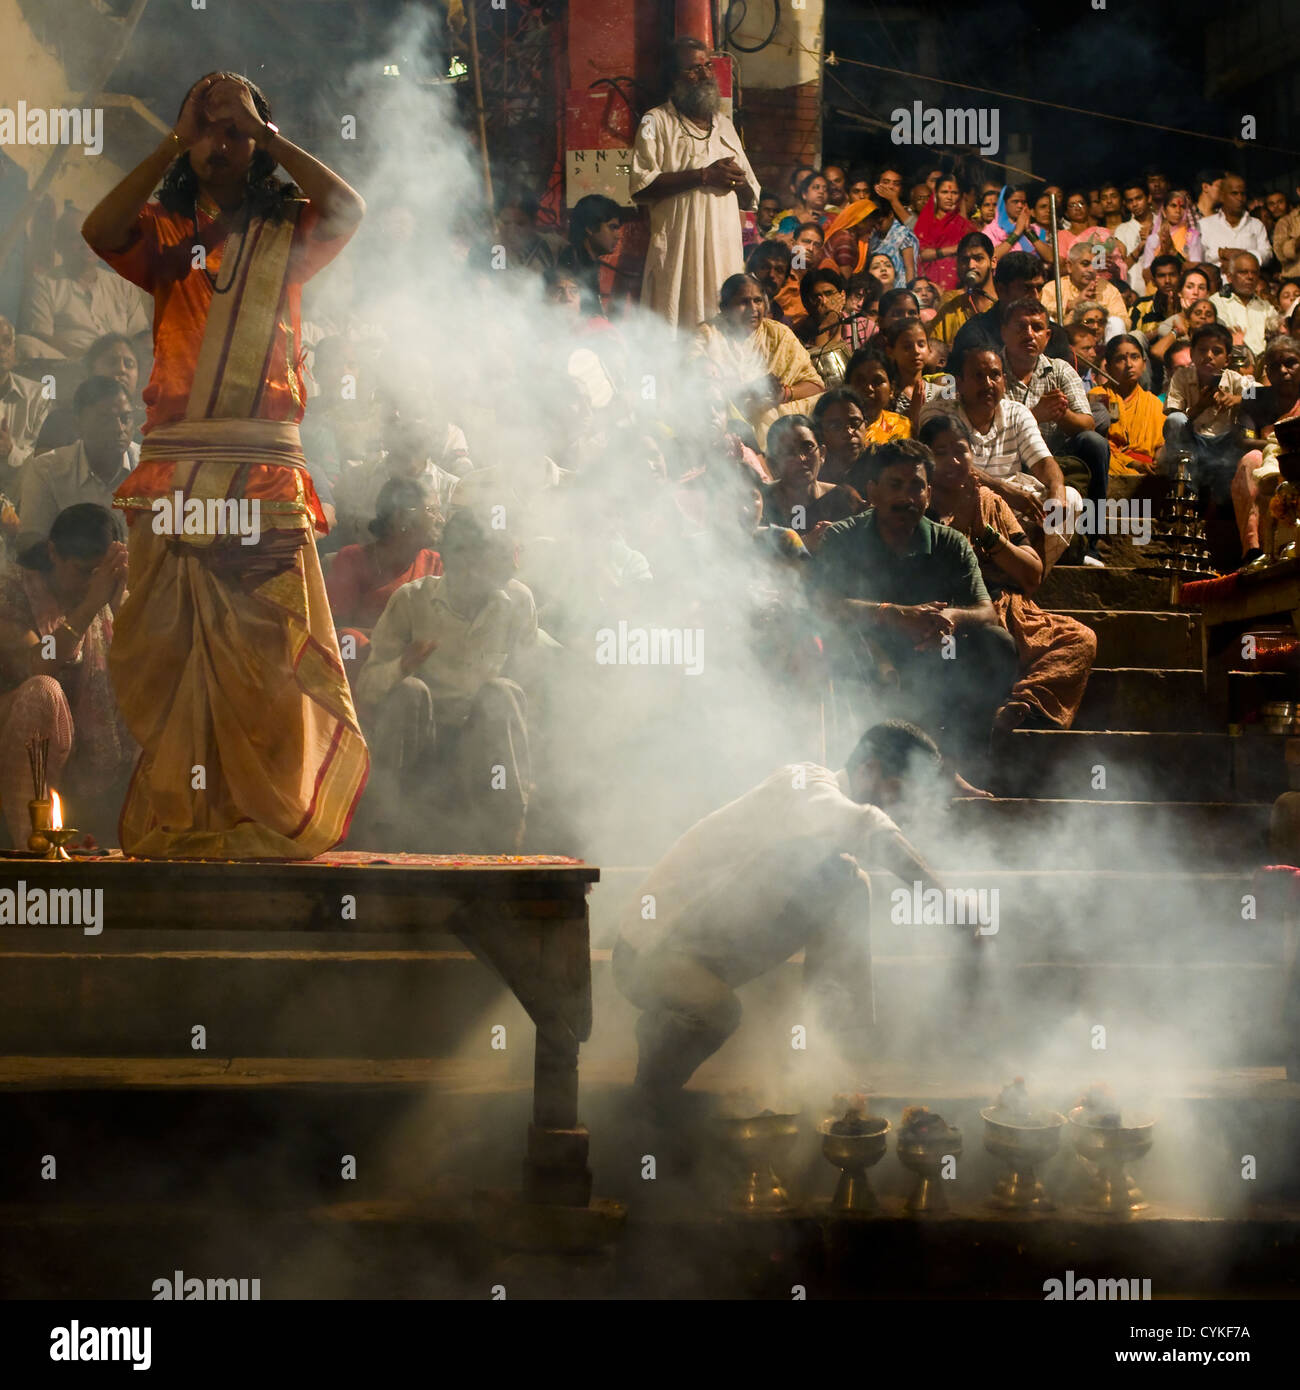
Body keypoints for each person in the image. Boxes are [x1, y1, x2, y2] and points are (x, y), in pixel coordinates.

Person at [81, 70, 369, 858]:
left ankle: (268, 817)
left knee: (269, 656)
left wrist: (271, 137)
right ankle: (190, 819)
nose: (221, 144)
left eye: (238, 130)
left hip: (262, 473)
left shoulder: (289, 229)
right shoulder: (165, 230)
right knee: (177, 655)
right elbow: (97, 229)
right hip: (175, 470)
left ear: (262, 142)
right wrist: (170, 137)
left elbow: (353, 209)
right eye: (206, 130)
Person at [613, 721, 956, 1104]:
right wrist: (953, 910)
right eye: (899, 793)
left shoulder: (832, 838)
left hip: (704, 959)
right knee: (717, 1013)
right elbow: (869, 827)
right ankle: (644, 1103)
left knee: (849, 881)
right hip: (647, 954)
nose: (904, 810)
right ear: (869, 770)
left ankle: (829, 1056)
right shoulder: (804, 784)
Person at [810, 439, 1019, 774]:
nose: (906, 497)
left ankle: (959, 767)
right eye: (895, 485)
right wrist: (891, 614)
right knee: (830, 643)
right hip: (867, 656)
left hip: (934, 655)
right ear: (873, 491)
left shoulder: (951, 542)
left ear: (928, 494)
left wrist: (950, 617)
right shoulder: (843, 537)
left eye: (916, 487)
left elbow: (986, 610)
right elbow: (821, 604)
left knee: (996, 643)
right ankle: (852, 767)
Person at [355, 507, 537, 852]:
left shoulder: (518, 601)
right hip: (423, 737)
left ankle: (506, 835)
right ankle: (385, 832)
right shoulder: (411, 600)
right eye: (495, 558)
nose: (507, 568)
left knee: (502, 693)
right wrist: (403, 665)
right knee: (408, 690)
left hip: (482, 741)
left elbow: (529, 693)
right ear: (455, 558)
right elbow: (367, 687)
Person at [921, 414, 1095, 731]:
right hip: (964, 618)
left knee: (1080, 639)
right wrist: (961, 526)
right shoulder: (919, 507)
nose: (953, 461)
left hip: (1014, 611)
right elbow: (939, 578)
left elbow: (1032, 575)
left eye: (961, 450)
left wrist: (987, 534)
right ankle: (987, 712)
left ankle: (1024, 704)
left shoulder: (990, 502)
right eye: (940, 453)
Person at [0, 504, 133, 848]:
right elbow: (36, 664)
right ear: (53, 553)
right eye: (82, 571)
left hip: (82, 751)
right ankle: (33, 848)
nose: (92, 583)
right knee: (43, 692)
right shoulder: (12, 589)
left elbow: (149, 670)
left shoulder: (106, 592)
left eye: (99, 574)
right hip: (16, 729)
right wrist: (91, 605)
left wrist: (122, 609)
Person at [630, 36, 759, 333]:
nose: (704, 75)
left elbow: (750, 195)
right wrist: (702, 175)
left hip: (724, 251)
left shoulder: (724, 125)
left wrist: (738, 181)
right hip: (680, 255)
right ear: (674, 77)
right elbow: (641, 185)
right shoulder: (656, 122)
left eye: (707, 66)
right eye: (692, 69)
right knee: (678, 332)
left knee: (722, 333)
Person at [920, 343, 1080, 574]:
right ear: (960, 382)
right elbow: (942, 465)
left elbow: (1044, 462)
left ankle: (1030, 581)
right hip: (956, 499)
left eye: (994, 375)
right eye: (978, 376)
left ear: (1004, 381)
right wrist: (1003, 491)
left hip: (1011, 507)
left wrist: (1057, 490)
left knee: (1071, 498)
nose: (987, 384)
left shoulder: (1018, 412)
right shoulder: (936, 411)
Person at [998, 298, 1108, 564]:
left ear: (1047, 336)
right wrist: (1034, 416)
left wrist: (1061, 414)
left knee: (1095, 443)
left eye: (1037, 328)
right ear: (1004, 331)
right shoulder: (991, 369)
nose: (1029, 334)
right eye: (1021, 327)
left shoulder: (1059, 369)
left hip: (1057, 458)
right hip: (1009, 457)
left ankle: (1089, 544)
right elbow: (989, 429)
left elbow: (1087, 424)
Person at [690, 273, 824, 447]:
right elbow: (694, 388)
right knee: (760, 413)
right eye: (743, 302)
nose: (753, 308)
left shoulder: (779, 334)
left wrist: (783, 394)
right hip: (729, 422)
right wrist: (748, 394)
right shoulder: (707, 335)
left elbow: (816, 386)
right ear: (724, 307)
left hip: (781, 417)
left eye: (758, 301)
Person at [16, 376, 137, 555]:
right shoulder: (46, 470)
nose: (119, 428)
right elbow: (31, 546)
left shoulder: (154, 467)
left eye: (125, 418)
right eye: (105, 419)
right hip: (70, 579)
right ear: (78, 425)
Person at [16, 206, 150, 364]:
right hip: (73, 364)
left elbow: (139, 334)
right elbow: (41, 336)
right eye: (76, 238)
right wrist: (92, 357)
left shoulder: (123, 286)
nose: (87, 245)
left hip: (119, 364)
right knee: (23, 343)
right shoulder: (44, 284)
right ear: (59, 245)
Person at [326, 475, 441, 634]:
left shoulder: (435, 564)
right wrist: (394, 643)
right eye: (432, 510)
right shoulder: (353, 559)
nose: (441, 519)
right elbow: (337, 633)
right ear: (401, 518)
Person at [1229, 335, 1300, 558]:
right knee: (1252, 459)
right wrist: (1279, 443)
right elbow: (1243, 439)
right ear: (1267, 371)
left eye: (1290, 363)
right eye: (1275, 366)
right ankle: (1254, 549)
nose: (1283, 371)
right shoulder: (1253, 394)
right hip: (1265, 464)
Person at [1163, 322, 1250, 503]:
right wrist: (1199, 407)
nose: (1208, 356)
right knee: (1175, 419)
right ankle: (1185, 484)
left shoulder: (1234, 378)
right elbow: (1174, 417)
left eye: (1216, 351)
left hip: (1224, 443)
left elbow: (1261, 393)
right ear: (1192, 354)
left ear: (1227, 359)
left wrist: (1237, 399)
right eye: (1202, 350)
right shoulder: (1181, 377)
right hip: (1192, 442)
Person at [759, 413, 864, 548]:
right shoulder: (760, 501)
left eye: (808, 447)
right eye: (788, 452)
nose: (801, 458)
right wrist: (801, 545)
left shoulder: (844, 498)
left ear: (822, 454)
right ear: (773, 463)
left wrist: (840, 536)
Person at [950, 250, 1071, 361]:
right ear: (1001, 290)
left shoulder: (1054, 335)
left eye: (1039, 288)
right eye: (1026, 288)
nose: (1035, 296)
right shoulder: (976, 332)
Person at [33, 332, 140, 453]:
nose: (121, 369)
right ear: (91, 371)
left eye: (129, 364)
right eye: (111, 362)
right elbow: (42, 468)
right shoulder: (62, 421)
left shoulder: (149, 425)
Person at [1098, 335, 1166, 476]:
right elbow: (1098, 443)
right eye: (1120, 359)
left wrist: (1157, 463)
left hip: (1148, 469)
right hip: (1114, 464)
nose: (1129, 364)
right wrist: (1134, 463)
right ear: (1108, 367)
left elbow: (1161, 444)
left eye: (1135, 357)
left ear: (1144, 364)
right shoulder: (1100, 396)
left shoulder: (1154, 403)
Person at [0, 314, 51, 500]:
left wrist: (10, 450)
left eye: (6, 342)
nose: (0, 348)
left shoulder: (39, 397)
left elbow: (44, 458)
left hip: (25, 499)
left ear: (15, 350)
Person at [556, 193, 622, 318]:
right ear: (590, 228)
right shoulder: (572, 264)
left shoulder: (586, 260)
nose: (618, 235)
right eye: (612, 227)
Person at [1042, 242, 1128, 333]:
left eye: (1095, 265)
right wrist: (1070, 305)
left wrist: (1098, 314)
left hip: (1100, 340)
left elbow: (1125, 322)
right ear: (1069, 266)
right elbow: (1041, 312)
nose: (1091, 270)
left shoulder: (1108, 289)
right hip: (1065, 340)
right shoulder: (1053, 288)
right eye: (1085, 264)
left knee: (1116, 322)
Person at [912, 175, 977, 293]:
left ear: (960, 196)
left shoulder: (966, 226)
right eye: (944, 192)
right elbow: (919, 254)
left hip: (959, 288)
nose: (949, 197)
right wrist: (953, 249)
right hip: (928, 288)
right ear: (936, 194)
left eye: (954, 193)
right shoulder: (925, 223)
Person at [929, 232, 996, 345]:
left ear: (993, 262)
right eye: (965, 260)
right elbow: (934, 351)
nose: (971, 266)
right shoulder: (950, 310)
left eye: (978, 259)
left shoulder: (1005, 306)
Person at [1198, 173, 1273, 273]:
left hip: (1249, 285)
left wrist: (1243, 256)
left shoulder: (1256, 225)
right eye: (1234, 193)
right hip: (1216, 285)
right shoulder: (1204, 225)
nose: (1240, 198)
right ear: (1222, 196)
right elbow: (1197, 259)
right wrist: (1221, 253)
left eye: (1243, 194)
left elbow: (1267, 255)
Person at [1214, 252, 1281, 355]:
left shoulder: (1266, 307)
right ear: (1229, 277)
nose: (1250, 277)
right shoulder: (1217, 302)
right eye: (1243, 272)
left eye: (1254, 272)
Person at [797, 268, 851, 387]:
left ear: (842, 295)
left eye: (829, 293)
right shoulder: (797, 335)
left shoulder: (863, 326)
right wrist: (825, 327)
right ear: (806, 303)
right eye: (816, 297)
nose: (824, 302)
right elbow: (823, 376)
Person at [868, 166, 920, 284]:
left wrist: (893, 200)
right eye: (886, 182)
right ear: (876, 186)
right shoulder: (870, 216)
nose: (890, 187)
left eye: (896, 184)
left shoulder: (905, 222)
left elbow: (916, 230)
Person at [1140, 189, 1203, 276]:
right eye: (1173, 206)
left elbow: (1196, 268)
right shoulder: (1153, 239)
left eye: (1182, 207)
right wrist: (1161, 253)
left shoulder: (1192, 237)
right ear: (1164, 212)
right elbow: (1146, 274)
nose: (1178, 210)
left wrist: (1174, 252)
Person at [987, 186, 1053, 266]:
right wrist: (1017, 231)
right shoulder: (991, 230)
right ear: (1004, 203)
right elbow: (990, 258)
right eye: (1015, 201)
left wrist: (1028, 231)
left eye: (1023, 202)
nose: (1020, 206)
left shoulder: (1035, 229)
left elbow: (1051, 258)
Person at [1131, 253, 1182, 335]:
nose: (1167, 281)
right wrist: (1166, 326)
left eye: (1172, 275)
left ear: (1181, 278)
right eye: (1161, 276)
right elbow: (1133, 341)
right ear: (1154, 281)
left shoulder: (1189, 305)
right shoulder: (1141, 306)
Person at [745, 239, 794, 324]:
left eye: (779, 270)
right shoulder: (735, 313)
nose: (771, 275)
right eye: (764, 267)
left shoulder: (784, 324)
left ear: (785, 281)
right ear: (751, 269)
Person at [1273, 188, 1300, 278]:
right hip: (1295, 280)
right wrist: (1297, 243)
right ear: (1299, 191)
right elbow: (1280, 254)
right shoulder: (1286, 222)